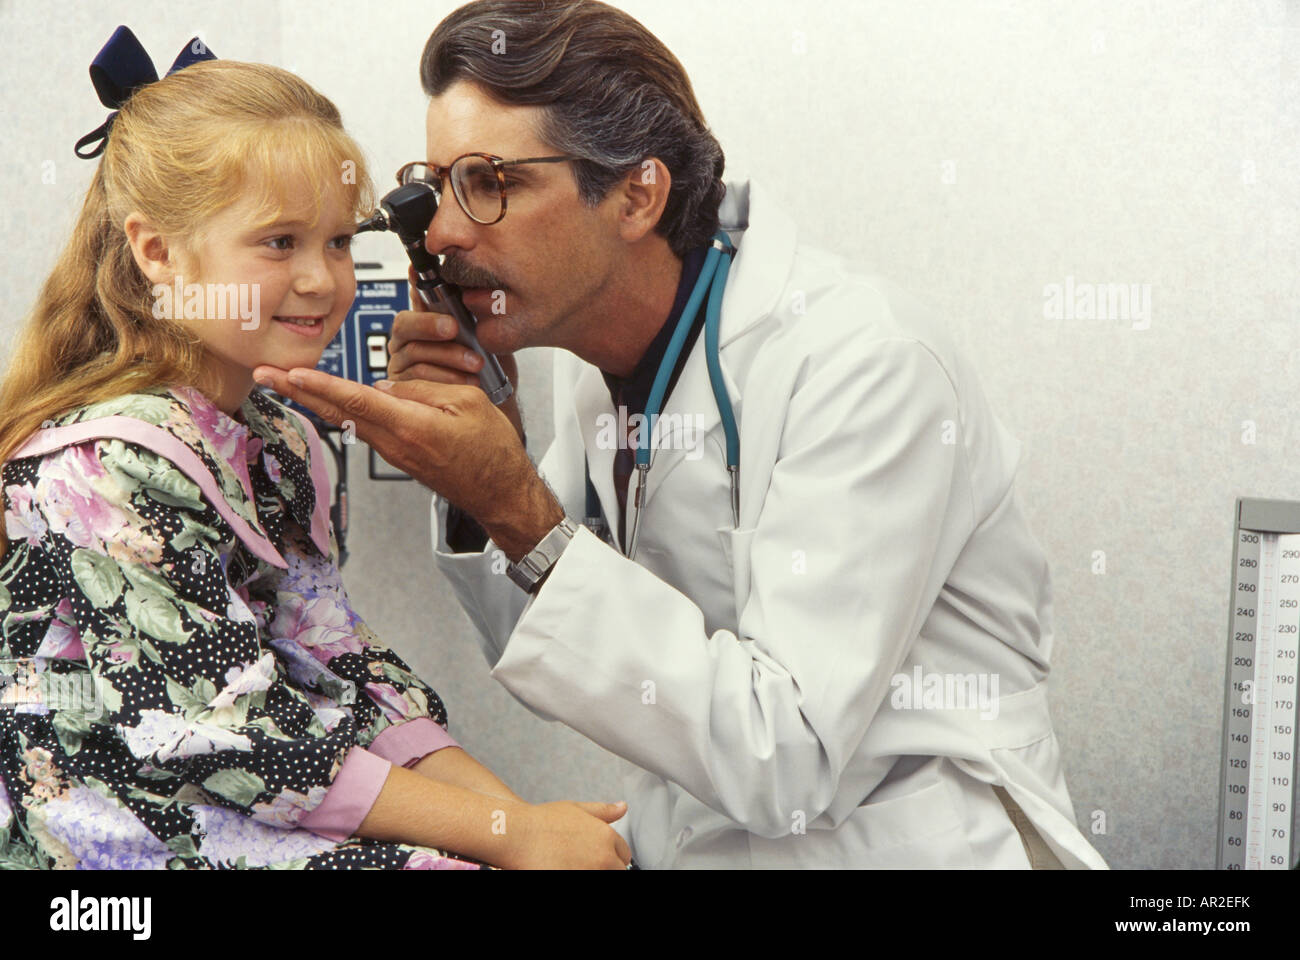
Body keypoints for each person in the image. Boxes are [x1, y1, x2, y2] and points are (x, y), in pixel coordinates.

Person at [258, 0, 1109, 869]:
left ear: (637, 194)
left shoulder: (867, 362)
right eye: (438, 186)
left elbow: (787, 755)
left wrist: (511, 499)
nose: (440, 232)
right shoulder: (604, 367)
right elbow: (558, 653)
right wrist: (485, 487)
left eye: (490, 183)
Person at [0, 27, 632, 870]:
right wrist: (508, 835)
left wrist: (520, 823)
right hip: (115, 848)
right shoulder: (102, 469)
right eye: (279, 242)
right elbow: (231, 736)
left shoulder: (281, 442)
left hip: (251, 803)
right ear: (158, 252)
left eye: (338, 242)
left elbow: (338, 658)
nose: (321, 279)